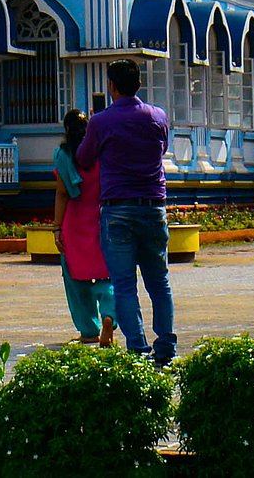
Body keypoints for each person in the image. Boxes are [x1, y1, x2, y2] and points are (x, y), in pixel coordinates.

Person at [76, 57, 176, 367]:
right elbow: (161, 150)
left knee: (124, 284)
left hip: (118, 208)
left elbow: (84, 158)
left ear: (112, 86)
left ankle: (138, 349)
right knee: (159, 281)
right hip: (153, 206)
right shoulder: (158, 117)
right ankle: (166, 347)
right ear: (139, 85)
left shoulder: (101, 122)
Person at [53, 109, 116, 345]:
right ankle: (109, 315)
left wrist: (57, 228)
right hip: (101, 219)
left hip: (74, 223)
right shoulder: (101, 153)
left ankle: (88, 330)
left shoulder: (63, 155)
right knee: (107, 275)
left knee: (75, 280)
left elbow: (62, 194)